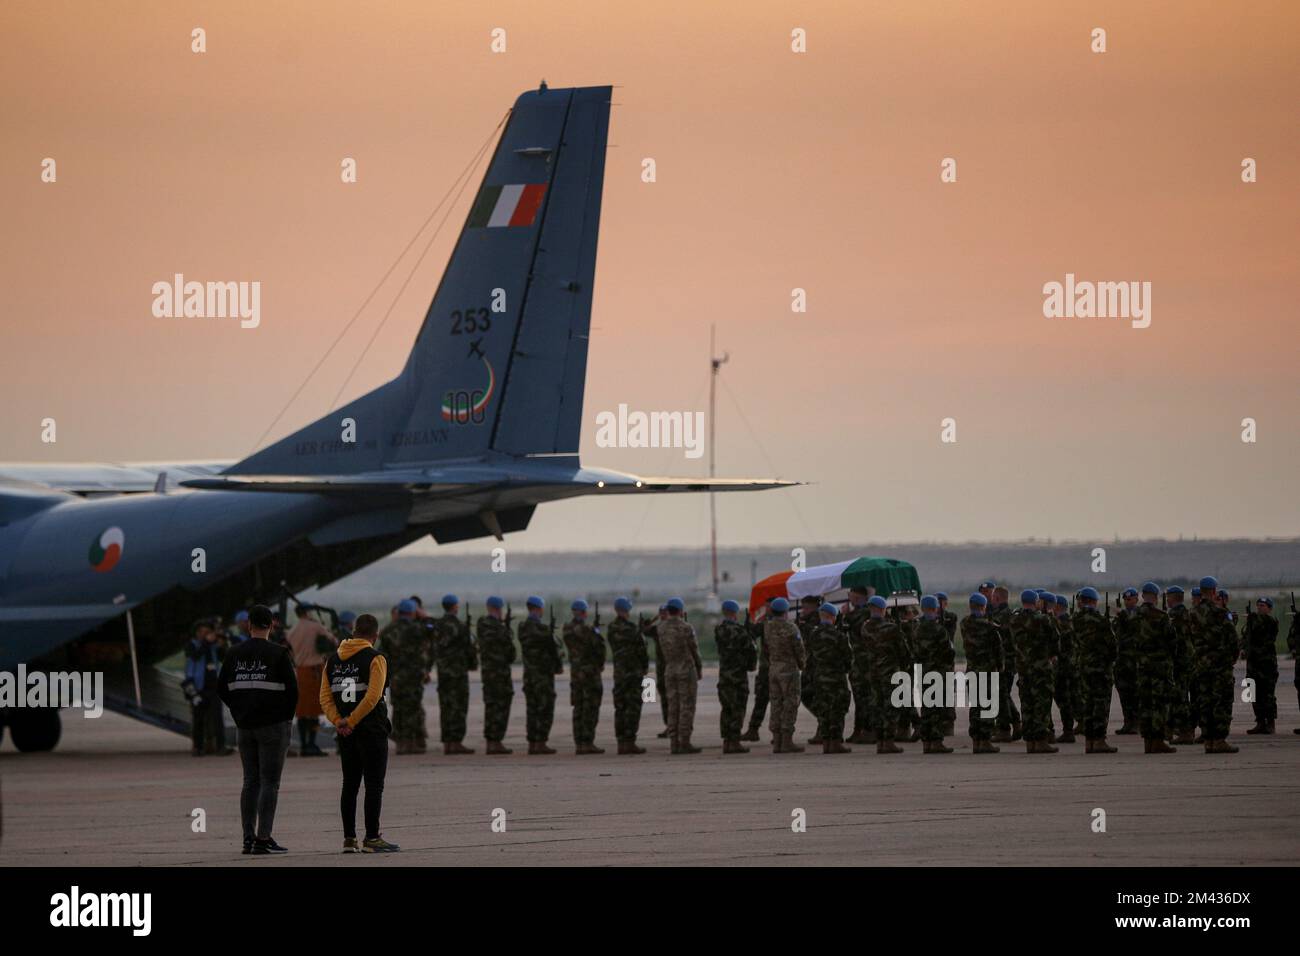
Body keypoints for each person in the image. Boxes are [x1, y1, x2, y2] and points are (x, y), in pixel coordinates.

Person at [215, 604, 297, 854]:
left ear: (249, 625)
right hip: (273, 726)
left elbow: (222, 688)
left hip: (245, 726)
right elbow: (292, 693)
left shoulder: (233, 653)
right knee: (270, 782)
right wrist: (284, 719)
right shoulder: (279, 653)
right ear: (272, 625)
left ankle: (248, 838)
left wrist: (239, 711)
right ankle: (263, 839)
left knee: (250, 781)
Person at [321, 613, 399, 853]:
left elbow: (324, 697)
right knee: (374, 785)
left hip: (345, 734)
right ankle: (372, 838)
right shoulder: (376, 658)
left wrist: (339, 721)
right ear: (375, 636)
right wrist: (353, 721)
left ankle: (349, 839)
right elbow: (373, 697)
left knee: (350, 785)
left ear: (354, 633)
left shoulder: (333, 660)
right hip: (371, 730)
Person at [1191, 576, 1238, 754]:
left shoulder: (1193, 613)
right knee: (1222, 701)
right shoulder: (1220, 613)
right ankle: (1219, 739)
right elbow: (1232, 639)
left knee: (1205, 701)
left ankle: (1208, 739)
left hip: (1201, 664)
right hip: (1220, 665)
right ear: (1213, 591)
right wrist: (1232, 658)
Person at [378, 599, 431, 755]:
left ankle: (401, 743)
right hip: (413, 676)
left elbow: (382, 654)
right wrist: (424, 616)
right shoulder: (417, 628)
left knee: (399, 709)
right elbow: (433, 628)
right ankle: (410, 743)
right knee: (413, 709)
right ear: (413, 612)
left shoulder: (388, 630)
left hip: (395, 677)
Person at [285, 604, 337, 756]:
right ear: (307, 612)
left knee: (302, 711)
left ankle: (303, 744)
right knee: (314, 711)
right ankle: (311, 743)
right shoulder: (315, 626)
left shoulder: (292, 631)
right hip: (315, 669)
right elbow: (333, 640)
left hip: (300, 671)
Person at [1011, 590, 1058, 754]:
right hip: (1040, 667)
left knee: (1027, 703)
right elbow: (1055, 639)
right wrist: (1052, 654)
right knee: (1041, 704)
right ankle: (1040, 740)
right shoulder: (1043, 619)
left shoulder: (1015, 619)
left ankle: (1030, 741)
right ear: (1036, 601)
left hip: (1023, 667)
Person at [1135, 582, 1177, 753]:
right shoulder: (1161, 616)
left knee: (1145, 704)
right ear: (1156, 597)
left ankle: (1148, 741)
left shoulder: (1133, 616)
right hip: (1159, 666)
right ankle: (1158, 740)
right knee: (1159, 704)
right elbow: (1172, 642)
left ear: (1142, 595)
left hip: (1142, 666)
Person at [863, 596, 908, 754]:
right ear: (883, 609)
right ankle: (888, 741)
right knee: (891, 706)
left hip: (873, 672)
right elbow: (904, 651)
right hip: (890, 672)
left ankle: (880, 740)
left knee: (877, 706)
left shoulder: (865, 627)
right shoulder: (891, 628)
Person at [657, 597, 703, 754]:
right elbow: (694, 650)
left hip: (670, 670)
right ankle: (684, 741)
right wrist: (699, 667)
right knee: (687, 706)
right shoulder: (686, 627)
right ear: (681, 611)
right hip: (686, 670)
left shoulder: (661, 628)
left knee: (673, 707)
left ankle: (673, 742)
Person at [433, 595, 478, 754]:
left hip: (443, 673)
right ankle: (456, 742)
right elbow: (470, 648)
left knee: (446, 706)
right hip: (458, 673)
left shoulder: (437, 625)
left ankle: (447, 743)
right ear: (454, 607)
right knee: (459, 707)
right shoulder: (460, 626)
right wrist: (473, 665)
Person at [519, 596, 563, 754]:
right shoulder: (543, 629)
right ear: (538, 608)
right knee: (545, 708)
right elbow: (554, 649)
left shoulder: (522, 627)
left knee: (532, 709)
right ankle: (541, 742)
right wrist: (558, 666)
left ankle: (532, 743)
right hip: (543, 676)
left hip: (529, 676)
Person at [606, 597, 650, 754]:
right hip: (633, 673)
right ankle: (629, 741)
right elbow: (642, 649)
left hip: (619, 673)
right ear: (627, 610)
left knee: (620, 707)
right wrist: (645, 667)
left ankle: (621, 742)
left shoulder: (611, 627)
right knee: (633, 707)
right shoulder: (632, 628)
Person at [563, 599, 606, 754]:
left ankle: (579, 743)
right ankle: (587, 742)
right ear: (583, 612)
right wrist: (595, 630)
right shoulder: (588, 630)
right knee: (590, 708)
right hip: (589, 674)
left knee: (578, 708)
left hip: (575, 674)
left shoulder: (567, 629)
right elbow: (599, 647)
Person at [808, 602, 852, 754]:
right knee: (837, 709)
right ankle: (835, 742)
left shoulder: (813, 634)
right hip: (836, 678)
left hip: (819, 677)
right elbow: (848, 658)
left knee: (824, 709)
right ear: (833, 617)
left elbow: (810, 656)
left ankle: (826, 742)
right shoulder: (838, 635)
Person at [960, 593, 1001, 753]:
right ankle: (985, 740)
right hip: (987, 670)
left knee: (975, 706)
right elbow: (998, 649)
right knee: (987, 705)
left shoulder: (964, 623)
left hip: (972, 669)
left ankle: (976, 740)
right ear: (984, 606)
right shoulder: (989, 627)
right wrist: (1000, 665)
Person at [183, 621, 231, 756]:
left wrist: (222, 642)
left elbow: (225, 657)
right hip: (197, 686)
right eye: (204, 632)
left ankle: (221, 746)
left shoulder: (213, 647)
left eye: (208, 633)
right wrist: (206, 642)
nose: (206, 635)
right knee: (198, 718)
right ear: (198, 633)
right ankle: (197, 747)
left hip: (214, 686)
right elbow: (195, 655)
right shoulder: (191, 645)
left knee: (217, 718)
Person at [764, 598, 806, 753]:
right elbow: (799, 650)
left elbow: (767, 648)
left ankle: (777, 742)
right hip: (789, 670)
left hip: (774, 669)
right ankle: (786, 741)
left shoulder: (768, 627)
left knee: (776, 703)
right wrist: (803, 665)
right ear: (786, 612)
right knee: (790, 703)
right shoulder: (791, 628)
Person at [715, 599, 756, 754]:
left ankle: (727, 741)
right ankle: (735, 741)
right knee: (738, 708)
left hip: (724, 675)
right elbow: (750, 652)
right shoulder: (741, 631)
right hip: (738, 676)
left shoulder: (718, 629)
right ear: (735, 612)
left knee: (726, 708)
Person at [914, 595, 954, 754]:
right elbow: (949, 653)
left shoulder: (917, 629)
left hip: (923, 672)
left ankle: (927, 742)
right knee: (937, 708)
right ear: (935, 608)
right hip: (938, 672)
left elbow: (915, 651)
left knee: (926, 707)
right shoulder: (939, 629)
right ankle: (936, 741)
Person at [477, 596, 516, 754]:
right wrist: (505, 627)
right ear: (499, 609)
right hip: (500, 674)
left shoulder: (482, 624)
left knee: (491, 706)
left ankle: (491, 741)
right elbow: (510, 653)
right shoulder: (500, 629)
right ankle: (495, 741)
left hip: (488, 673)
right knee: (500, 707)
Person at [1241, 597, 1278, 734]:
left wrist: (1252, 618)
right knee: (1252, 693)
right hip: (1253, 664)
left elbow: (1263, 624)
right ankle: (1260, 721)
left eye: (1263, 605)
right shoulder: (1252, 622)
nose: (1260, 608)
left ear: (1269, 608)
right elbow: (1246, 638)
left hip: (1266, 665)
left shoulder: (1270, 621)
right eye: (1258, 606)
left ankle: (1270, 722)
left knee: (1267, 694)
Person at [988, 586, 1020, 742]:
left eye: (993, 598)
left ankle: (1005, 729)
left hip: (1004, 662)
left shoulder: (1001, 616)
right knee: (1003, 695)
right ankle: (1015, 722)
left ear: (997, 598)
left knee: (1001, 696)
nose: (991, 600)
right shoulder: (1010, 615)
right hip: (1007, 661)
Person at [843, 588, 875, 744]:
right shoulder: (855, 613)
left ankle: (869, 730)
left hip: (866, 662)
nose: (850, 598)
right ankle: (858, 729)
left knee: (867, 697)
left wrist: (845, 615)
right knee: (859, 698)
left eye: (852, 596)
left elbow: (853, 624)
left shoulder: (864, 613)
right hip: (857, 662)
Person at [741, 599, 774, 742]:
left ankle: (779, 733)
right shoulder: (765, 622)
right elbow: (752, 633)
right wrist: (748, 621)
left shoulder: (784, 623)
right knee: (761, 699)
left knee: (780, 702)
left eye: (768, 606)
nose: (766, 608)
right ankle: (753, 729)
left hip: (775, 668)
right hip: (767, 668)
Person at [1112, 588, 1142, 734]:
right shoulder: (1121, 617)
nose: (1127, 602)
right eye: (1125, 600)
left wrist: (1122, 615)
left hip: (1134, 660)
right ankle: (1128, 722)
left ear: (1137, 599)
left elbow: (1134, 628)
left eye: (1130, 599)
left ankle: (1136, 722)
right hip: (1122, 660)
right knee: (1124, 693)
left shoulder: (1139, 614)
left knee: (1135, 692)